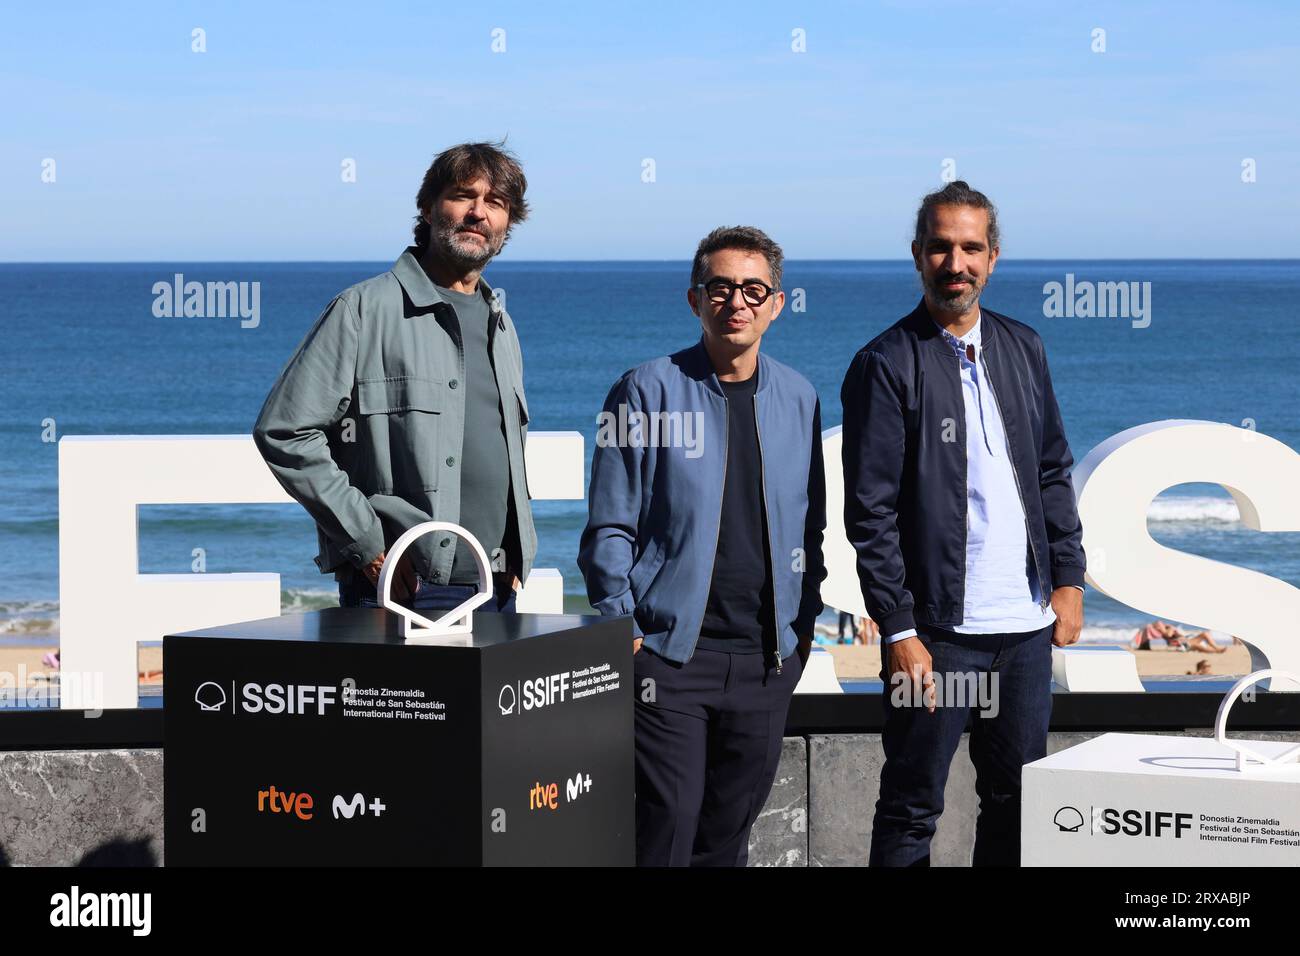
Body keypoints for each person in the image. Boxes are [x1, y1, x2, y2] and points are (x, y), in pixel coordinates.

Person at [841, 181, 1086, 867]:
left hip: (1026, 631)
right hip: (938, 637)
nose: (957, 263)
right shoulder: (885, 364)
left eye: (971, 248)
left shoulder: (1024, 347)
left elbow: (1050, 469)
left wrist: (1068, 576)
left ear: (994, 257)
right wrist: (899, 628)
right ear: (918, 255)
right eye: (942, 247)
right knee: (912, 807)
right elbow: (871, 512)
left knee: (1016, 806)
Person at [579, 226, 826, 866]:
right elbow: (610, 523)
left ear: (777, 303)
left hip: (766, 662)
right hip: (668, 660)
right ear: (695, 299)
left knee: (727, 842)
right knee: (666, 832)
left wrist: (802, 627)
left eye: (753, 289)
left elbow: (811, 526)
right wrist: (622, 627)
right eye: (720, 287)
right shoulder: (647, 390)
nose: (735, 302)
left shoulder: (799, 397)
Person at [253, 142, 535, 616]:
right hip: (402, 585)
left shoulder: (501, 325)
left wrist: (513, 553)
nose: (478, 213)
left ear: (508, 224)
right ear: (427, 207)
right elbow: (284, 431)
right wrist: (366, 542)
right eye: (463, 195)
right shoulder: (363, 310)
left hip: (494, 587)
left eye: (496, 203)